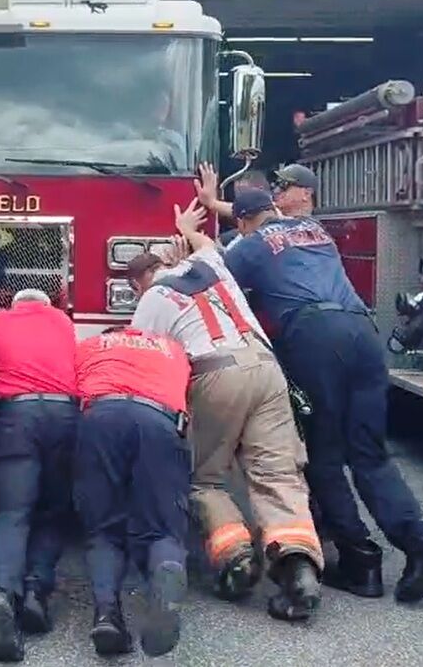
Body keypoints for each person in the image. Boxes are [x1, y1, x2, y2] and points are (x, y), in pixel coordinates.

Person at [223, 189, 423, 603]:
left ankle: (359, 559)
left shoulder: (249, 247)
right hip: (361, 331)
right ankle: (422, 541)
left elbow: (219, 279)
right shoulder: (315, 231)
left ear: (242, 222)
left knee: (324, 455)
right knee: (370, 453)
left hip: (314, 337)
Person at [130, 200, 323, 622]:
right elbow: (201, 242)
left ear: (142, 281)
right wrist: (186, 228)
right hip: (268, 369)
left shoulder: (152, 300)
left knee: (204, 478)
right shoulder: (213, 265)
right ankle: (298, 567)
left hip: (216, 373)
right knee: (277, 473)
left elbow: (148, 361)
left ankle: (235, 558)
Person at [0, 288, 79, 663]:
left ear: (14, 305)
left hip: (14, 417)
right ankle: (36, 590)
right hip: (64, 415)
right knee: (52, 511)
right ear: (45, 306)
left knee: (8, 513)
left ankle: (3, 593)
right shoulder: (64, 324)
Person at [74, 325, 192, 658]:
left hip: (101, 417)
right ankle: (166, 567)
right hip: (159, 419)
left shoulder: (92, 344)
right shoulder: (172, 349)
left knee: (103, 529)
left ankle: (107, 615)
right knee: (161, 525)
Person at [197, 161, 318, 221]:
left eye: (284, 185)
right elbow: (249, 210)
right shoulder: (277, 216)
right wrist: (212, 203)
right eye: (276, 184)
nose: (276, 190)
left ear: (306, 194)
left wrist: (212, 203)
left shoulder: (309, 229)